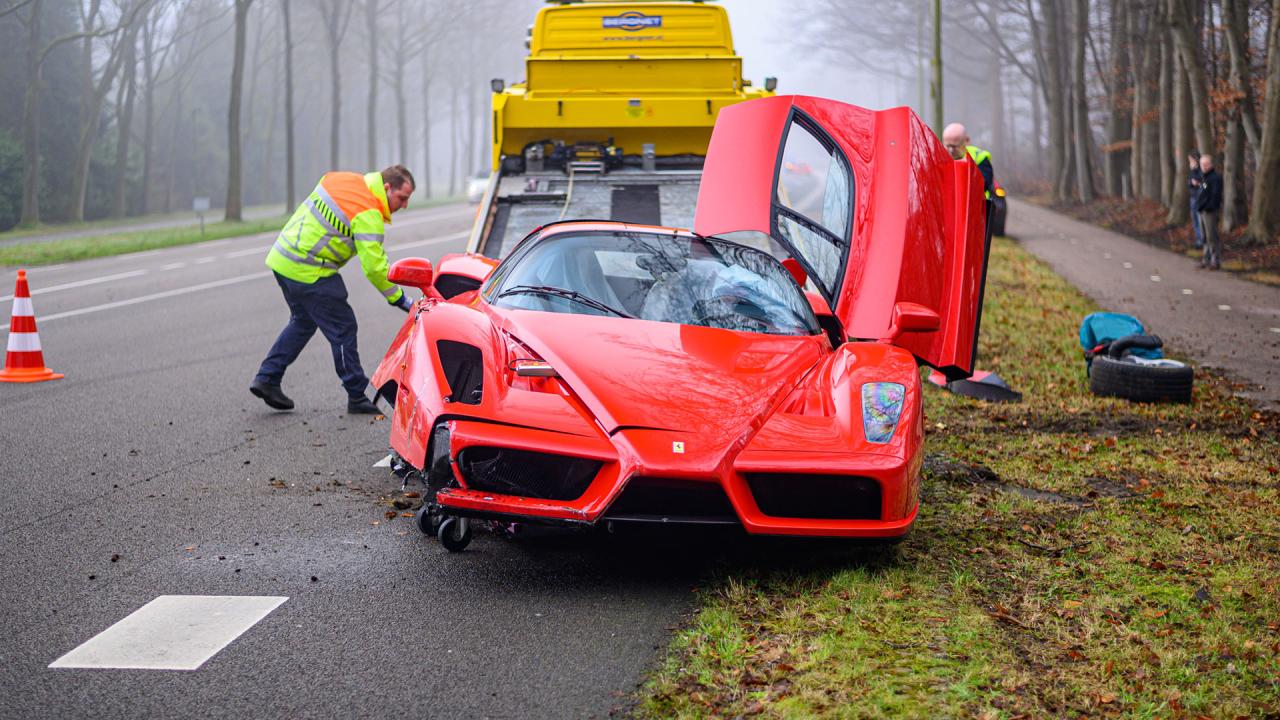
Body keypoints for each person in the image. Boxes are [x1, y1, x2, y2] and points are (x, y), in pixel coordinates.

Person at [251, 165, 416, 413]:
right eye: (402, 198)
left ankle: (268, 378)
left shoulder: (341, 179)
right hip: (308, 268)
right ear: (387, 188)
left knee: (303, 321)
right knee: (343, 326)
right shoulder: (368, 212)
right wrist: (402, 300)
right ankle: (357, 395)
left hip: (282, 259)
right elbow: (375, 268)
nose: (404, 205)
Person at [942, 122, 994, 198]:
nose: (951, 150)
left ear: (966, 141)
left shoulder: (979, 157)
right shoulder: (939, 158)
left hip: (978, 206)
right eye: (948, 146)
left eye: (955, 146)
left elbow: (984, 185)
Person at [1194, 154, 1223, 270]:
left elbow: (1215, 195)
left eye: (1206, 164)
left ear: (1211, 165)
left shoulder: (1215, 178)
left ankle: (1215, 260)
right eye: (1202, 164)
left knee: (1212, 236)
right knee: (1205, 237)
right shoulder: (1203, 177)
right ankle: (1206, 259)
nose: (1204, 166)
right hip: (1202, 210)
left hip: (1210, 211)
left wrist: (1209, 207)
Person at [1186, 151, 1204, 249]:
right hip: (1193, 198)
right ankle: (1199, 240)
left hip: (1199, 199)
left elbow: (1205, 185)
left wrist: (1198, 184)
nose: (1190, 163)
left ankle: (1202, 240)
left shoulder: (1201, 171)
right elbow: (1189, 183)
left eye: (1191, 161)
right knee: (1195, 221)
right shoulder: (1193, 171)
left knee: (1199, 220)